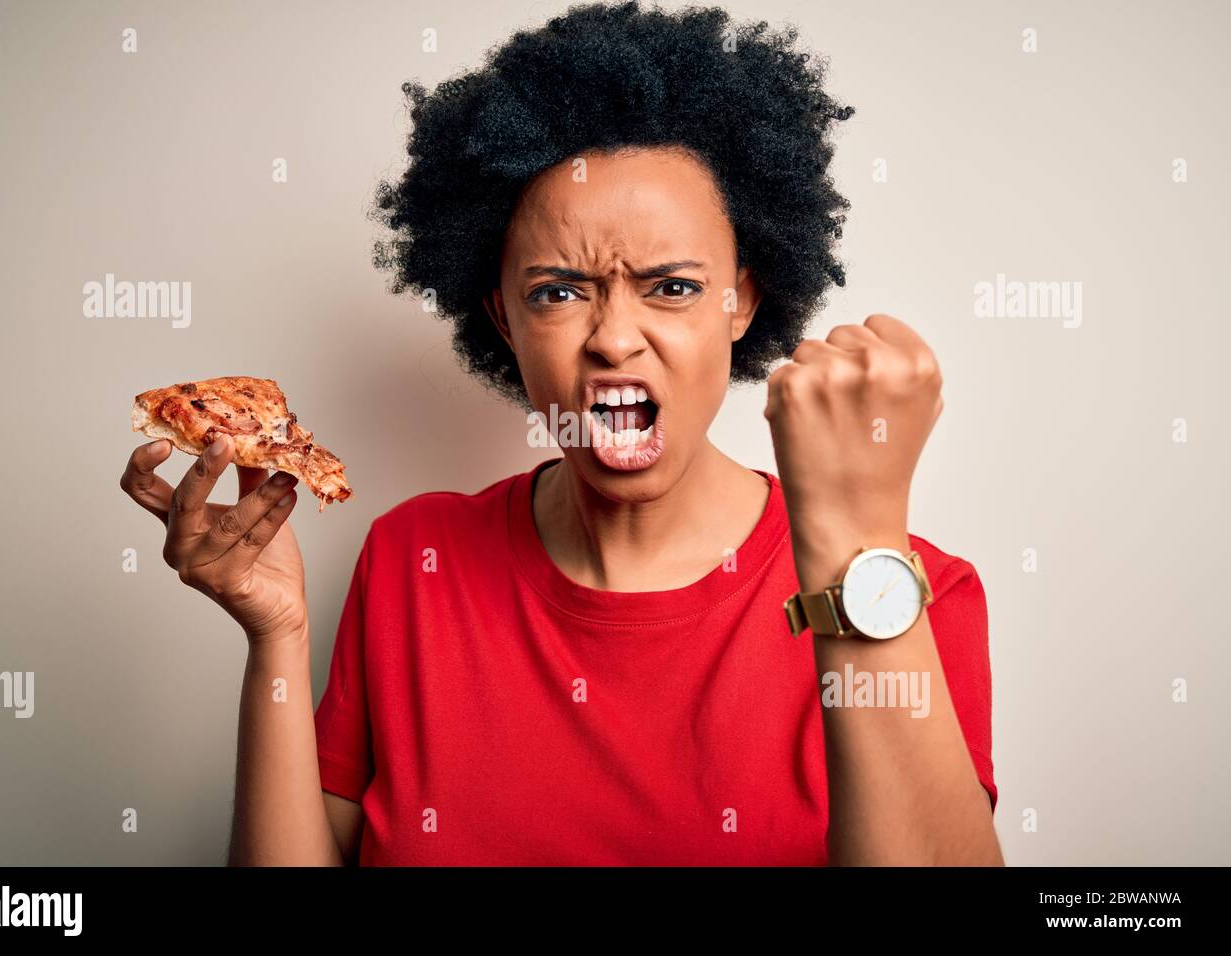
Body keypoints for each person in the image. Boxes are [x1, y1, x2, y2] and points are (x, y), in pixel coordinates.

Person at [120, 0, 1000, 866]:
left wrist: (855, 547)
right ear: (502, 318)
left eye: (674, 287)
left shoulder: (915, 596)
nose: (615, 337)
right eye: (558, 292)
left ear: (745, 303)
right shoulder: (411, 562)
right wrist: (273, 635)